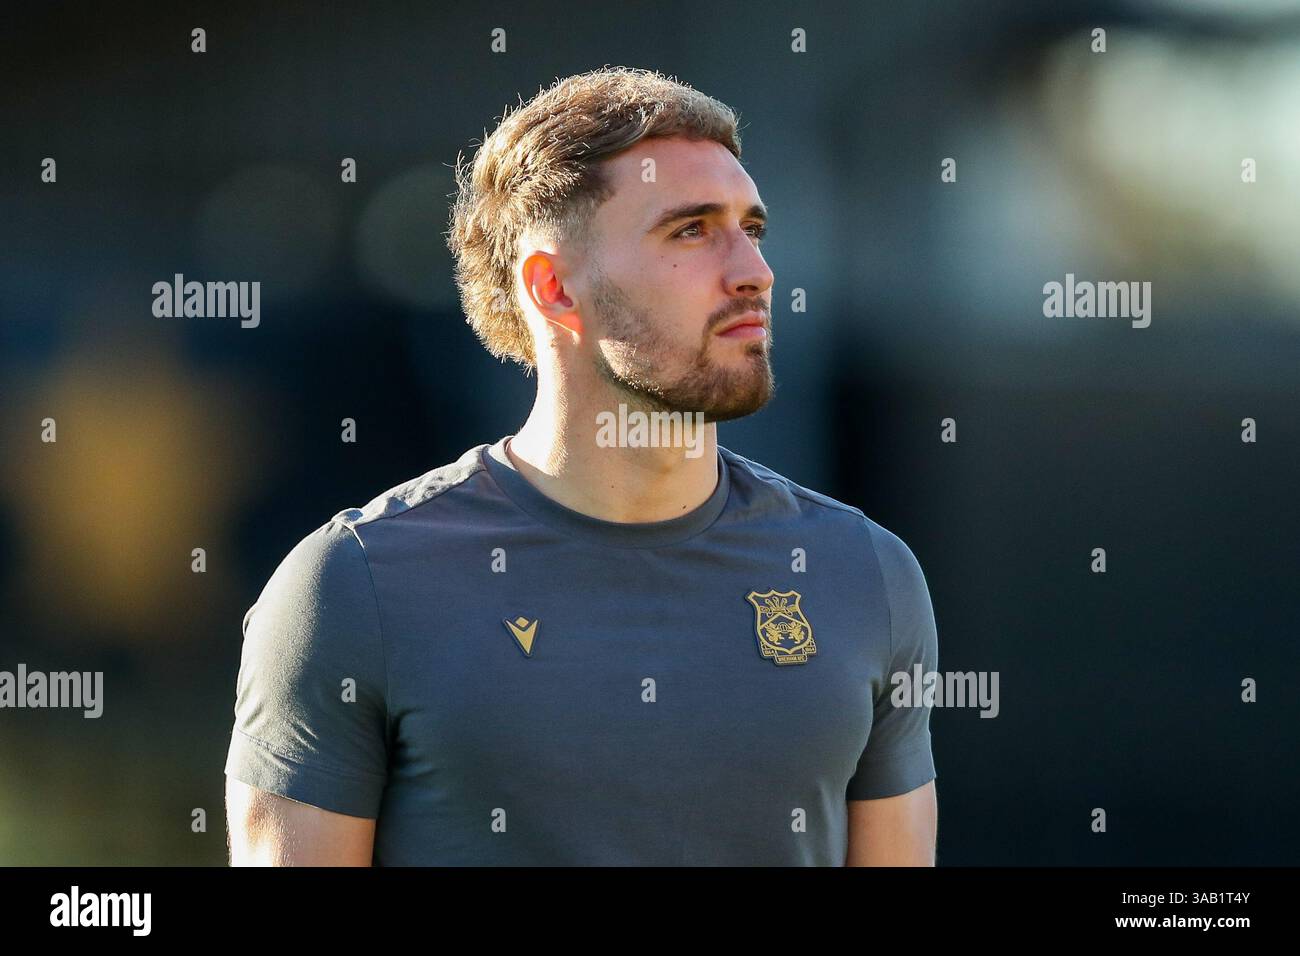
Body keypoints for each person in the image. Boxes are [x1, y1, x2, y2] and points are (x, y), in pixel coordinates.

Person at [224, 66, 938, 866]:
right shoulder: (350, 588)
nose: (755, 272)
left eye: (752, 228)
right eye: (692, 230)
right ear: (554, 287)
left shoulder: (865, 574)